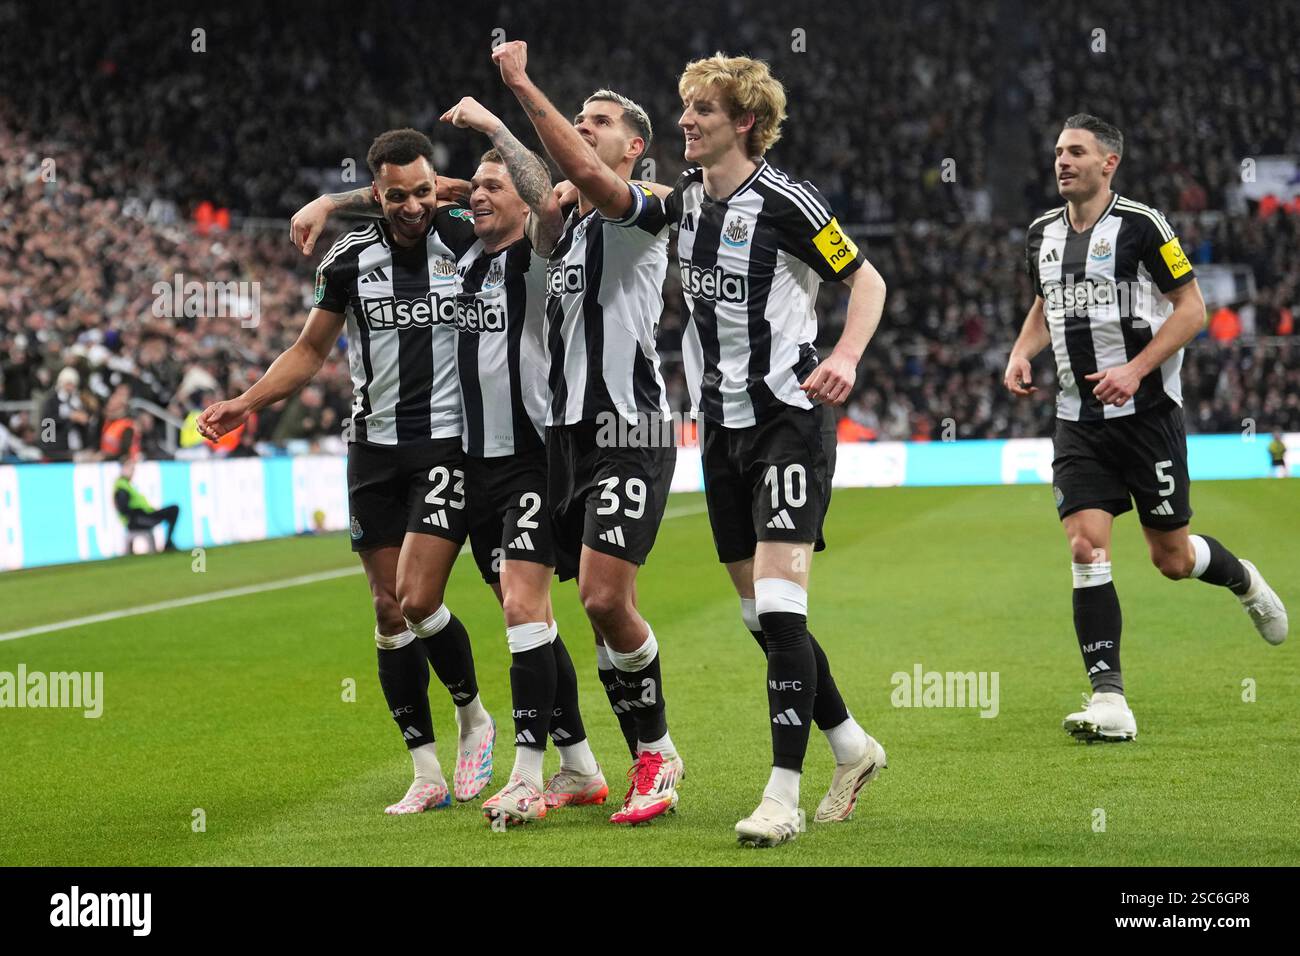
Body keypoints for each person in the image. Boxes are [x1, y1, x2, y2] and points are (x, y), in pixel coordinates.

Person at [198, 129, 496, 815]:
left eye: (423, 190)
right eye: (398, 196)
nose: (414, 205)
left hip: (448, 445)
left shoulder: (462, 232)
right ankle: (424, 772)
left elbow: (476, 190)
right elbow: (309, 351)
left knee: (418, 598)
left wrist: (330, 197)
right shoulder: (350, 260)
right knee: (388, 609)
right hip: (373, 449)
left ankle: (474, 716)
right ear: (379, 196)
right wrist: (246, 403)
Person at [1003, 114, 1288, 744]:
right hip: (1078, 421)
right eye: (1057, 152)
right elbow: (1046, 303)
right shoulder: (1041, 234)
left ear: (1109, 163)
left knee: (1172, 559)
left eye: (1076, 152)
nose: (1062, 162)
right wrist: (1021, 351)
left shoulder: (1142, 225)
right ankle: (1110, 699)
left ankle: (1243, 578)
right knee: (1085, 546)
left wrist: (1134, 370)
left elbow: (1193, 310)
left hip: (1149, 418)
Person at [667, 52, 889, 846]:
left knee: (784, 611)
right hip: (720, 430)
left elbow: (868, 282)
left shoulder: (788, 200)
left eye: (703, 110)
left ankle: (782, 796)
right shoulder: (685, 202)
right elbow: (602, 182)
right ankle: (853, 747)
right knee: (760, 618)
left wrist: (846, 357)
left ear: (746, 123)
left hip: (789, 420)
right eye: (685, 106)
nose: (686, 120)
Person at [493, 42, 686, 825]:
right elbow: (546, 190)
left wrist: (519, 85)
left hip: (629, 425)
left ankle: (659, 753)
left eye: (598, 122)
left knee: (606, 598)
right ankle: (608, 762)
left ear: (633, 145)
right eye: (581, 120)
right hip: (565, 438)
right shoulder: (565, 231)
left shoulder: (648, 206)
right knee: (599, 608)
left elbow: (587, 177)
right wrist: (494, 127)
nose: (583, 128)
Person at [114, 457, 180, 552]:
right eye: (130, 469)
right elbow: (124, 509)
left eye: (133, 469)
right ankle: (168, 543)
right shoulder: (122, 487)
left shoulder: (125, 485)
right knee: (174, 510)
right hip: (136, 520)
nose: (132, 472)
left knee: (173, 510)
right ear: (123, 469)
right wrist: (140, 512)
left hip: (141, 516)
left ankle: (169, 543)